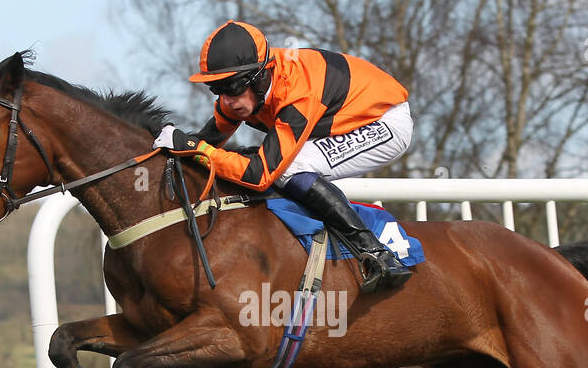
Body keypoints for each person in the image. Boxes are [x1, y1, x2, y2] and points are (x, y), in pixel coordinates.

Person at [153, 20, 414, 293]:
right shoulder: (247, 87)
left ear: (259, 78)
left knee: (289, 168)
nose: (226, 100)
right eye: (216, 89)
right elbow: (207, 143)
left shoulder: (295, 93)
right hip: (344, 118)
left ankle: (376, 254)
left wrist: (195, 148)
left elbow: (259, 176)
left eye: (231, 87)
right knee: (255, 160)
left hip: (384, 122)